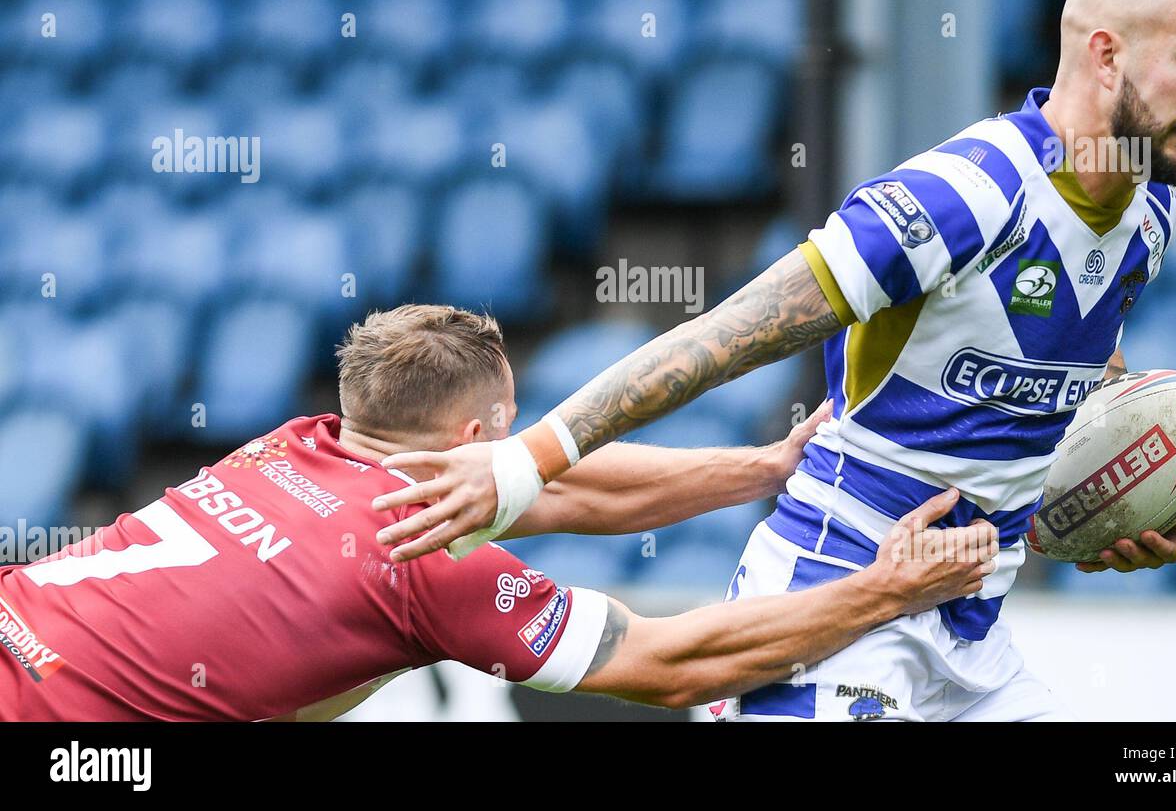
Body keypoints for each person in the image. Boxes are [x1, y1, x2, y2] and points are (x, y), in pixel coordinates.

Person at [376, 0, 1176, 721]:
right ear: (1106, 52)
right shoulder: (961, 196)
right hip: (831, 611)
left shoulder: (1147, 209)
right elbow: (716, 341)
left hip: (975, 642)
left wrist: (1112, 492)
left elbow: (1066, 374)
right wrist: (526, 462)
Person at [0, 305, 996, 721]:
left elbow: (552, 486)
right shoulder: (419, 556)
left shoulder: (290, 444)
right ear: (480, 428)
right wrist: (883, 588)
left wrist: (760, 467)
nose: (526, 454)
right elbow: (672, 661)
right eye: (513, 433)